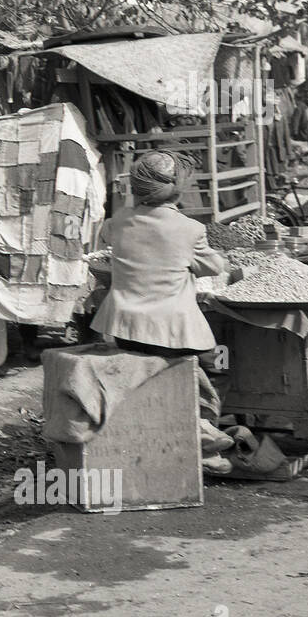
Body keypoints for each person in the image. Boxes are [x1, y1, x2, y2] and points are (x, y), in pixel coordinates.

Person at [90, 151, 233, 466]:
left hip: (124, 326)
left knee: (145, 378)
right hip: (173, 327)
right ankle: (204, 435)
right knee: (218, 364)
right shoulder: (190, 229)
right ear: (177, 189)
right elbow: (214, 266)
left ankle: (166, 435)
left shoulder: (117, 222)